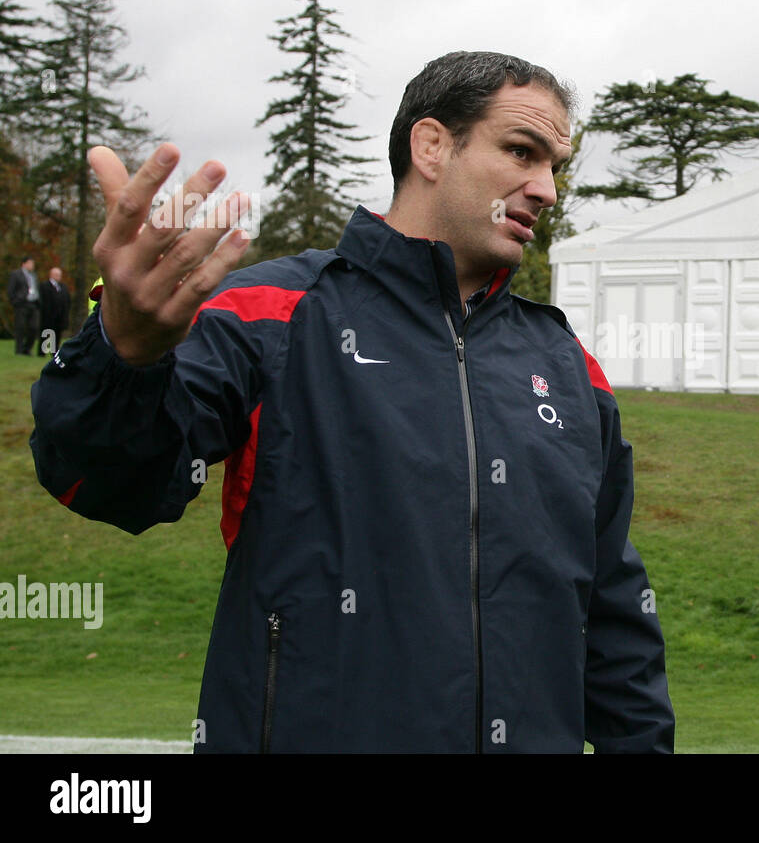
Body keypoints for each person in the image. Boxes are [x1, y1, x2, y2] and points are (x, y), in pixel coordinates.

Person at [29, 51, 674, 754]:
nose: (546, 188)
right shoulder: (272, 314)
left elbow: (614, 615)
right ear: (430, 146)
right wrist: (124, 356)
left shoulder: (569, 367)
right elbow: (108, 483)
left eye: (554, 164)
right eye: (522, 151)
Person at [6, 256, 40, 355]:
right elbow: (11, 290)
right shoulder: (16, 274)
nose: (32, 265)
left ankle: (27, 348)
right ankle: (19, 350)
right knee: (20, 327)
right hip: (21, 304)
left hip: (33, 304)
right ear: (24, 264)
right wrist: (15, 301)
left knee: (34, 327)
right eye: (30, 263)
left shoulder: (34, 275)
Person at [37, 266, 71, 356]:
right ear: (51, 275)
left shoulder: (63, 287)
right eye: (56, 274)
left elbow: (67, 300)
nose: (58, 276)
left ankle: (54, 351)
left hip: (60, 315)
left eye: (59, 275)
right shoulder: (44, 286)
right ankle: (42, 352)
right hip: (48, 315)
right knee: (46, 333)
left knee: (57, 334)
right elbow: (42, 301)